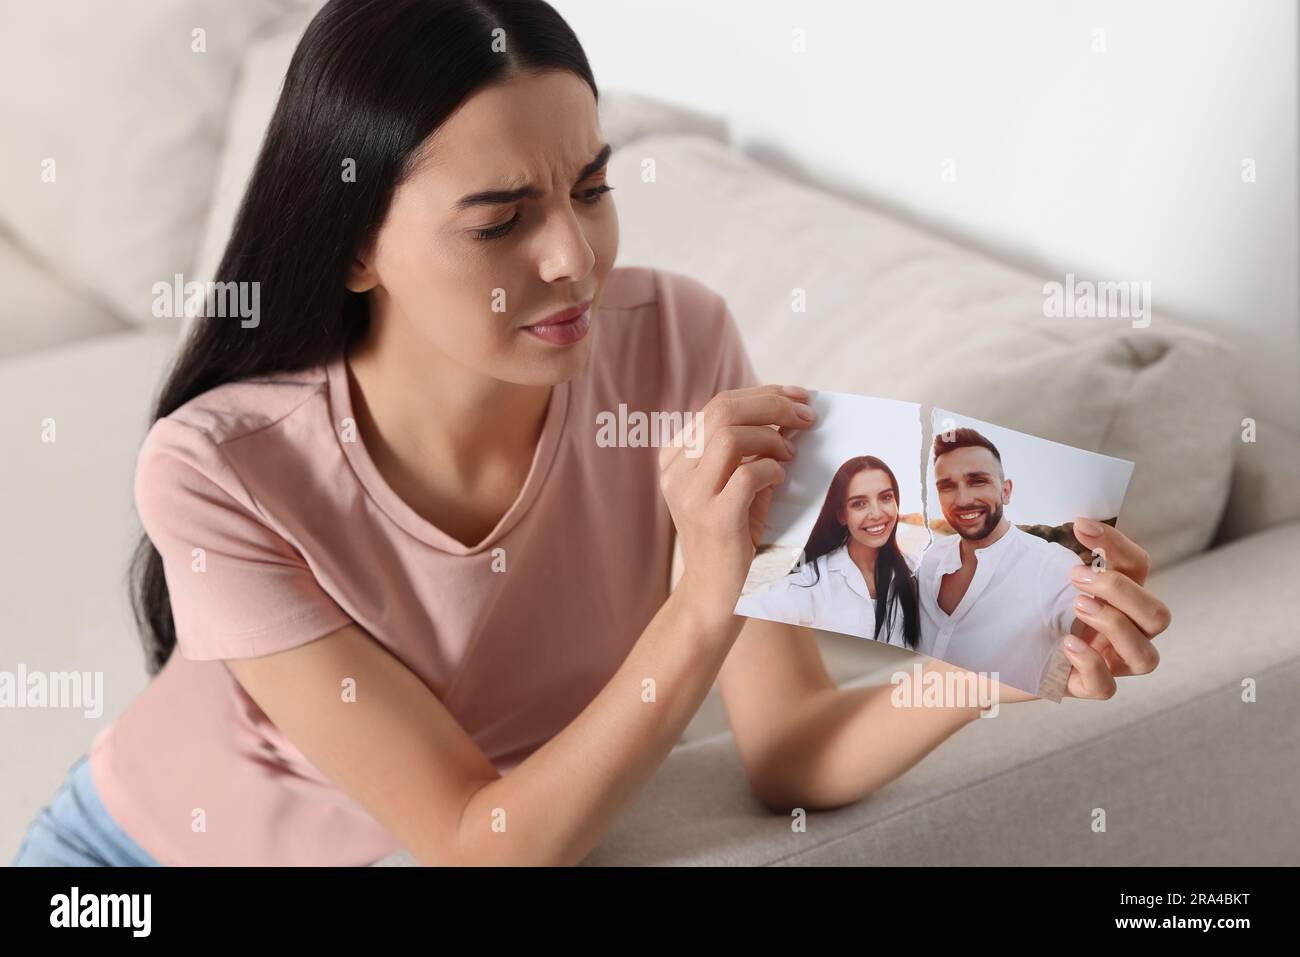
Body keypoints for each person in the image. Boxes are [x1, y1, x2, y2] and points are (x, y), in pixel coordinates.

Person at [12, 0, 1172, 867]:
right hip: (132, 861)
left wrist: (999, 663)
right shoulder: (221, 469)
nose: (573, 257)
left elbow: (790, 751)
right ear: (354, 244)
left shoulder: (676, 343)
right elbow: (482, 844)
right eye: (501, 219)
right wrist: (699, 600)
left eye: (592, 188)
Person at [916, 427, 1096, 697]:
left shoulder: (1053, 566)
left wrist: (1106, 636)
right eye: (947, 486)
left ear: (1006, 491)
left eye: (977, 481)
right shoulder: (931, 557)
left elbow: (1090, 634)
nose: (963, 499)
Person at [736, 456, 920, 648]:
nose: (876, 513)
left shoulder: (915, 572)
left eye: (886, 497)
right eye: (859, 503)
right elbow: (750, 618)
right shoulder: (811, 581)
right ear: (841, 515)